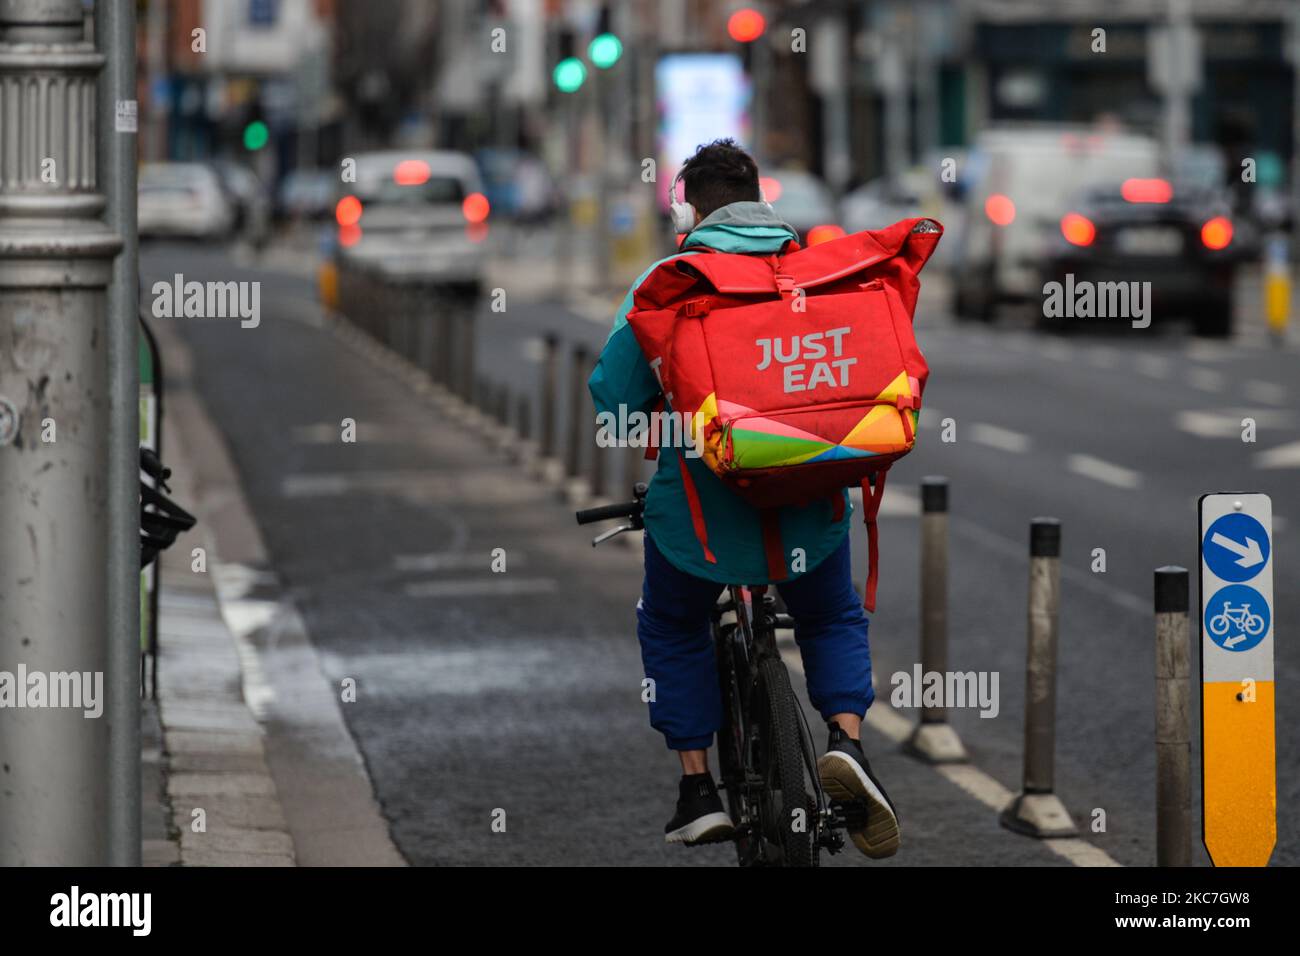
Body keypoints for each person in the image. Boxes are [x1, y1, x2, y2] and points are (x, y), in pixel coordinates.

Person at [588, 139, 900, 858]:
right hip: (810, 502)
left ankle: (698, 789)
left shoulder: (671, 281)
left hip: (699, 519)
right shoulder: (819, 273)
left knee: (673, 624)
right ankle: (847, 742)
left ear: (691, 209)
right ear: (761, 197)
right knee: (829, 614)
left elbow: (613, 402)